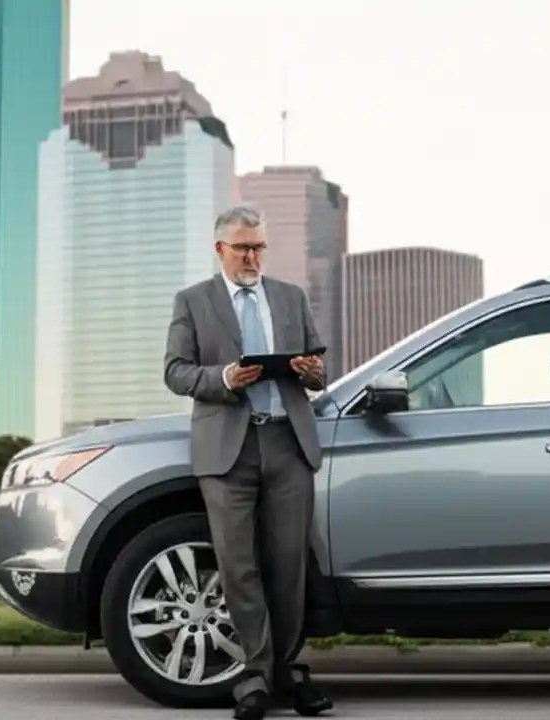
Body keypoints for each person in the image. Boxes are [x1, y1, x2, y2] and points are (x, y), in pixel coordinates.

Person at [163, 204, 335, 720]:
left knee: (287, 567)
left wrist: (310, 371)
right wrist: (223, 380)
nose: (253, 256)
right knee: (239, 567)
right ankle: (258, 676)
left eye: (259, 247)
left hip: (288, 442)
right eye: (243, 247)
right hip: (227, 448)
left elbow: (319, 374)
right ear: (221, 249)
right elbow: (175, 372)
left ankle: (281, 673)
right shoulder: (192, 301)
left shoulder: (290, 297)